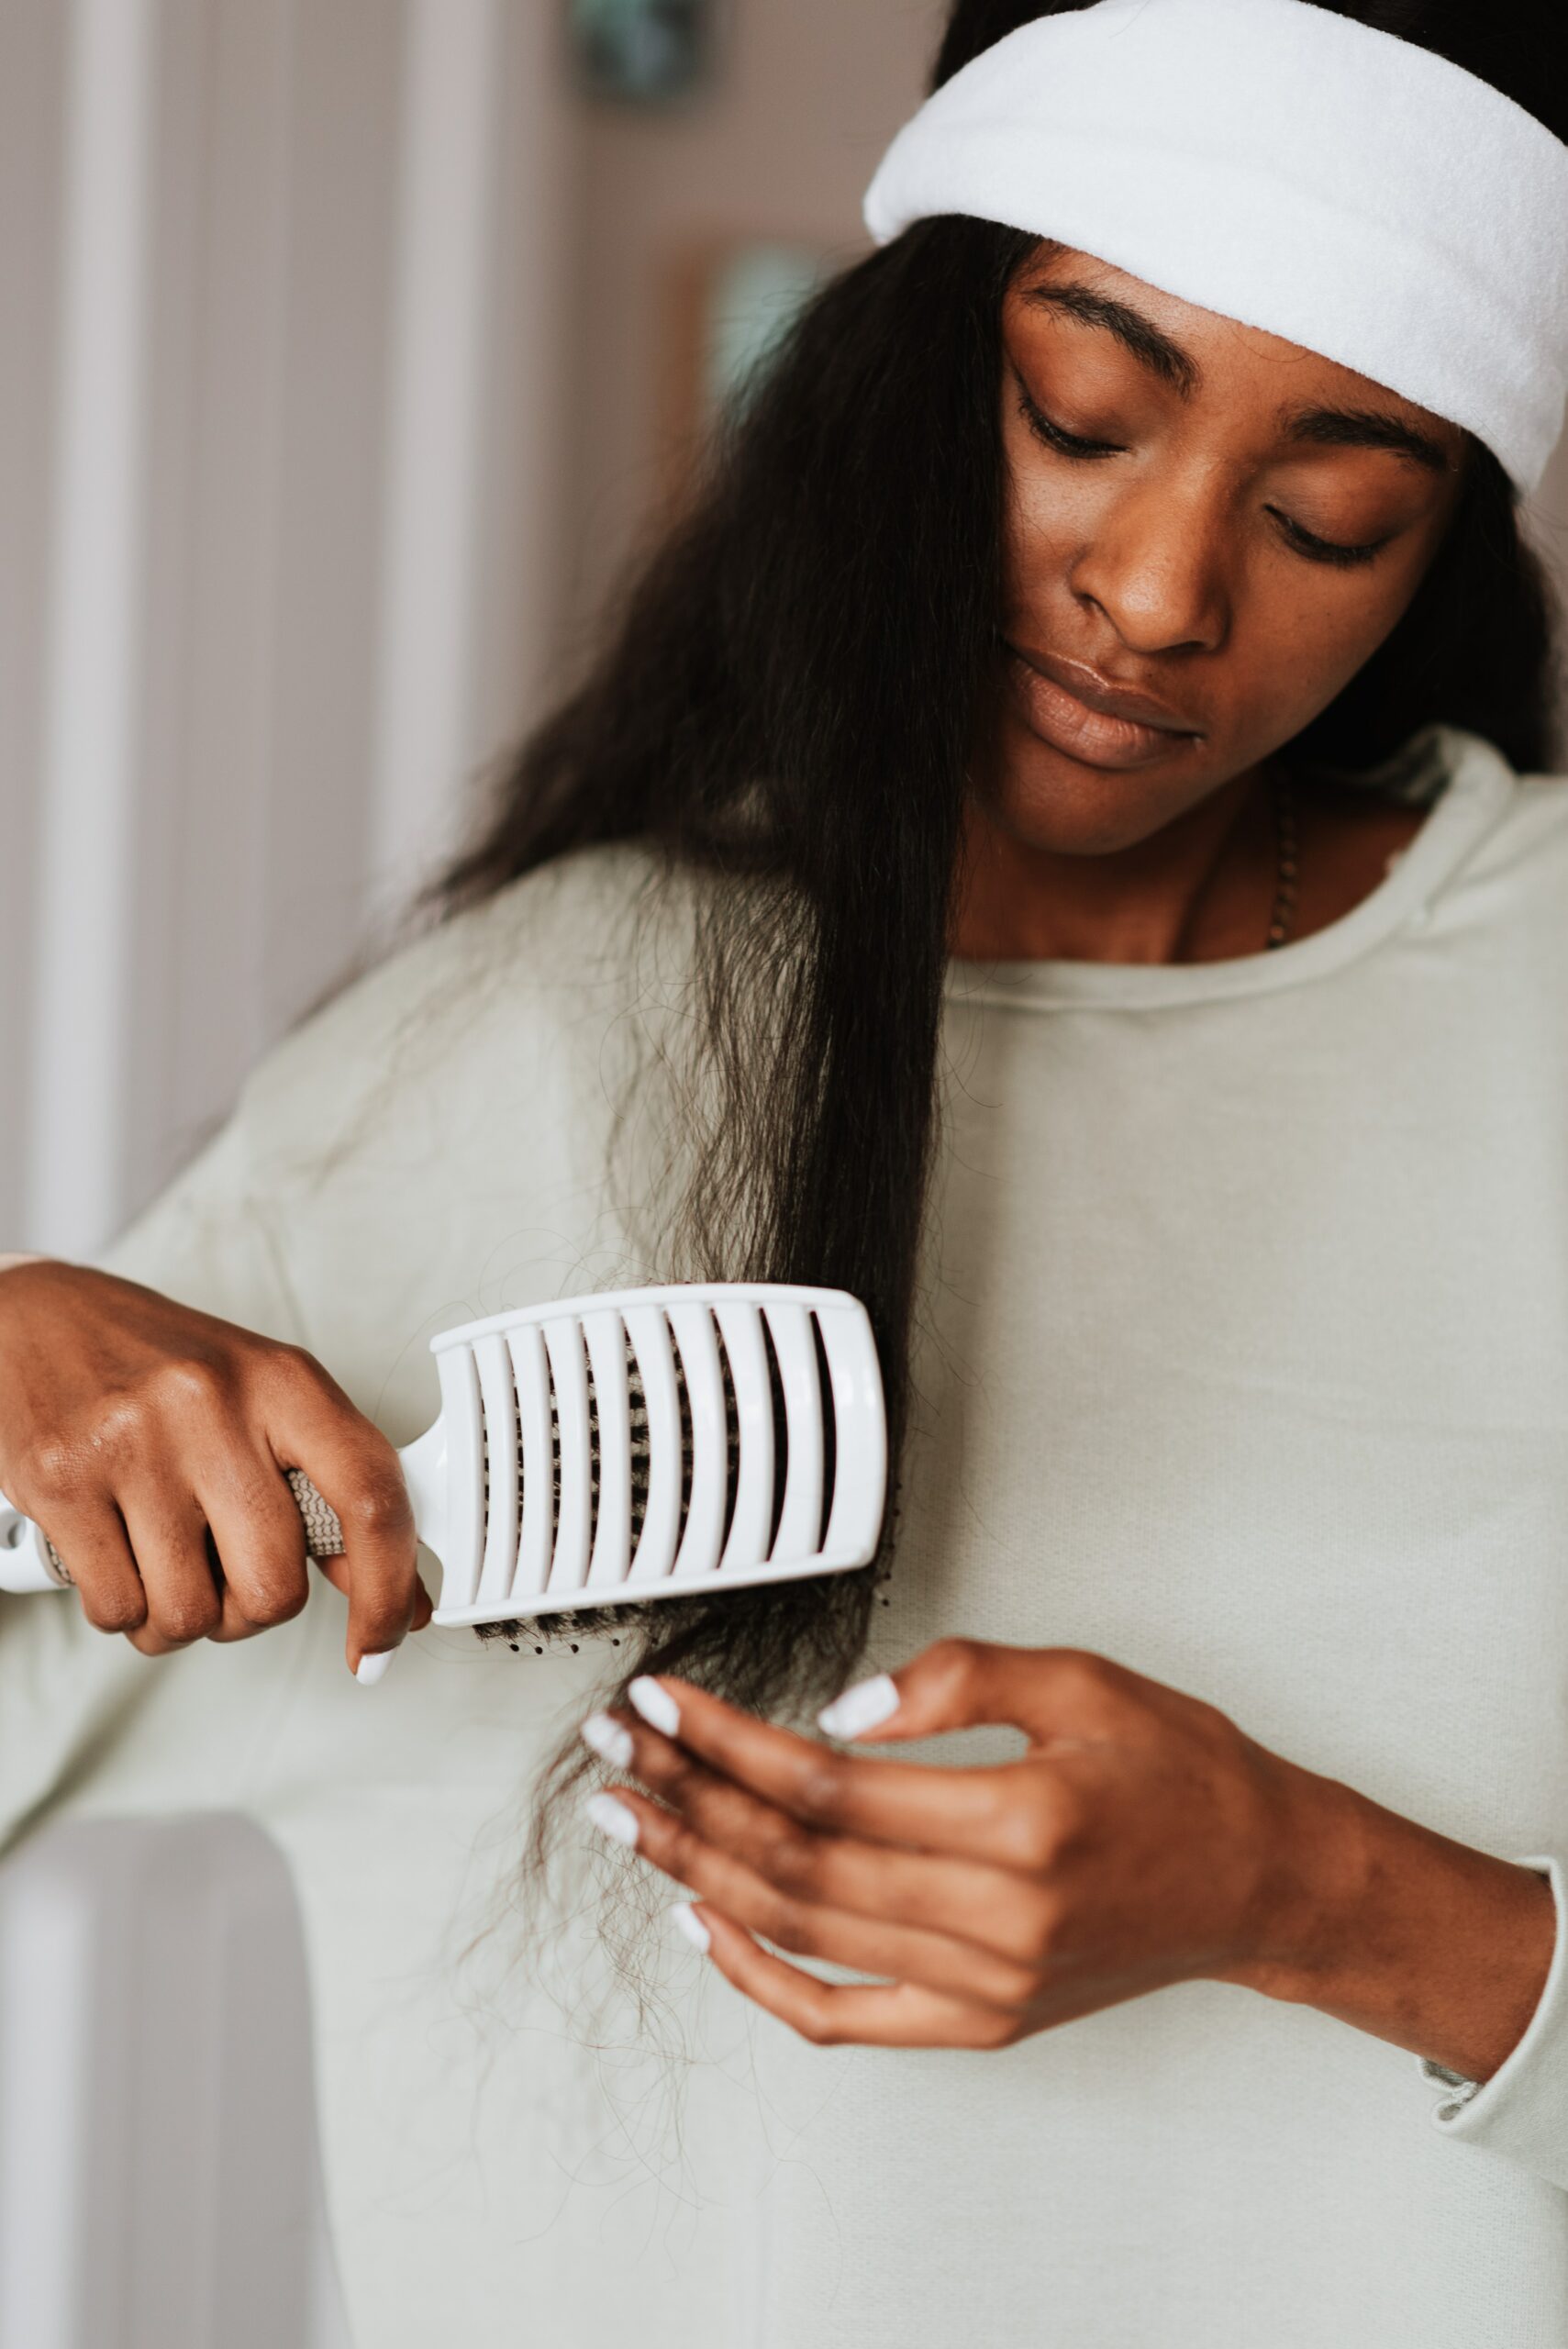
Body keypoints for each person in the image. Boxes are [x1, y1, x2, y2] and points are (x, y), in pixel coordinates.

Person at [3, 0, 1568, 2339]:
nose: (1162, 590)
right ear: (910, 378)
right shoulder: (525, 1043)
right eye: (1084, 416)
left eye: (1332, 506)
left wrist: (1312, 1888)